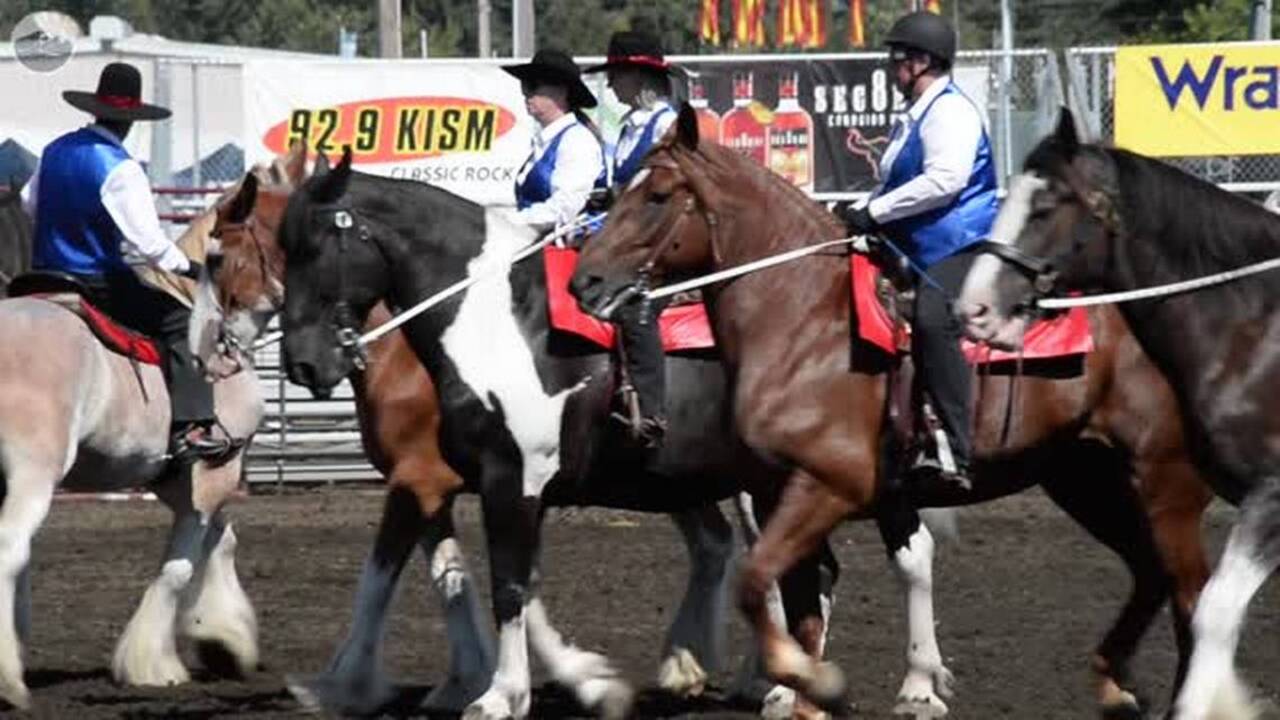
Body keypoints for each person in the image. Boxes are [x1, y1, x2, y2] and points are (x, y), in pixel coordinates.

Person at [20, 62, 229, 463]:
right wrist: (191, 269)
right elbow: (149, 244)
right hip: (96, 281)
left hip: (41, 276)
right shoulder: (120, 167)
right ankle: (192, 427)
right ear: (131, 120)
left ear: (95, 109)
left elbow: (30, 205)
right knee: (182, 323)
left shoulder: (54, 149)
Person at [843, 12, 997, 487]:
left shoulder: (950, 110)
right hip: (915, 248)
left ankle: (956, 449)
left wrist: (877, 212)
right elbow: (899, 184)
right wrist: (859, 210)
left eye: (897, 58)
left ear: (923, 62)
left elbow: (945, 182)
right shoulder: (916, 114)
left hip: (961, 247)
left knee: (932, 316)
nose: (891, 67)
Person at [583, 30, 681, 449]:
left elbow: (670, 189)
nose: (609, 85)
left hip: (660, 244)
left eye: (615, 76)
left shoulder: (668, 125)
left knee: (632, 302)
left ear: (639, 79)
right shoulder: (628, 128)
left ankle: (653, 410)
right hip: (629, 238)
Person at [503, 48, 606, 231]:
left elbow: (565, 209)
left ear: (562, 92)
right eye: (525, 85)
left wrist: (510, 222)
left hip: (566, 250)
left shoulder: (577, 141)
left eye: (533, 85)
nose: (526, 93)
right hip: (536, 244)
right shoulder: (547, 141)